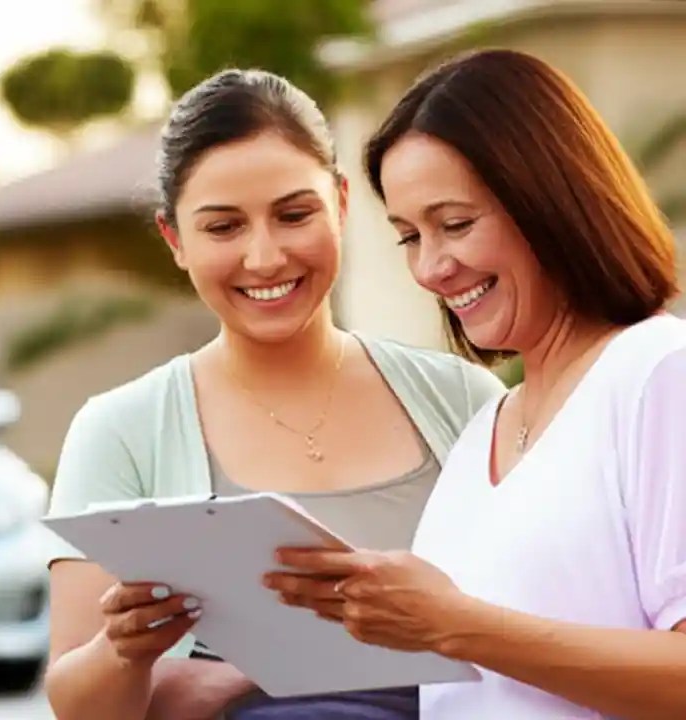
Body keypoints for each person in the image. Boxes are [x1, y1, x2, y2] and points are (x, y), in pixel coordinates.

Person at [41, 68, 505, 720]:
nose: (264, 258)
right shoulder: (121, 429)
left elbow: (533, 625)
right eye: (223, 228)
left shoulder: (464, 399)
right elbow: (78, 706)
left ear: (341, 205)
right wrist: (125, 652)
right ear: (174, 239)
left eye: (294, 215)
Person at [265, 49, 686, 719]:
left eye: (455, 224)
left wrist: (453, 623)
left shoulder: (659, 372)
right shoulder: (483, 433)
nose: (432, 268)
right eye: (408, 236)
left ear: (551, 201)